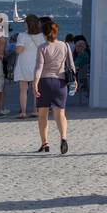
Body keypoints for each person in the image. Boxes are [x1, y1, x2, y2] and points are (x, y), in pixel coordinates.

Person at [32, 18, 75, 154]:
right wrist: (75, 81)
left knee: (42, 115)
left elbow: (39, 68)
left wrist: (35, 83)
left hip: (45, 82)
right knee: (60, 114)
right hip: (60, 83)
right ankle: (63, 138)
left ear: (44, 34)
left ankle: (45, 143)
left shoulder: (42, 47)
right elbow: (71, 66)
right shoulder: (65, 46)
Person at [12, 14, 43, 118]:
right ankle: (35, 110)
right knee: (36, 89)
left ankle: (23, 112)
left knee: (23, 90)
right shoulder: (42, 36)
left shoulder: (22, 35)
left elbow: (19, 50)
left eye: (25, 22)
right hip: (37, 64)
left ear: (28, 24)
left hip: (24, 64)